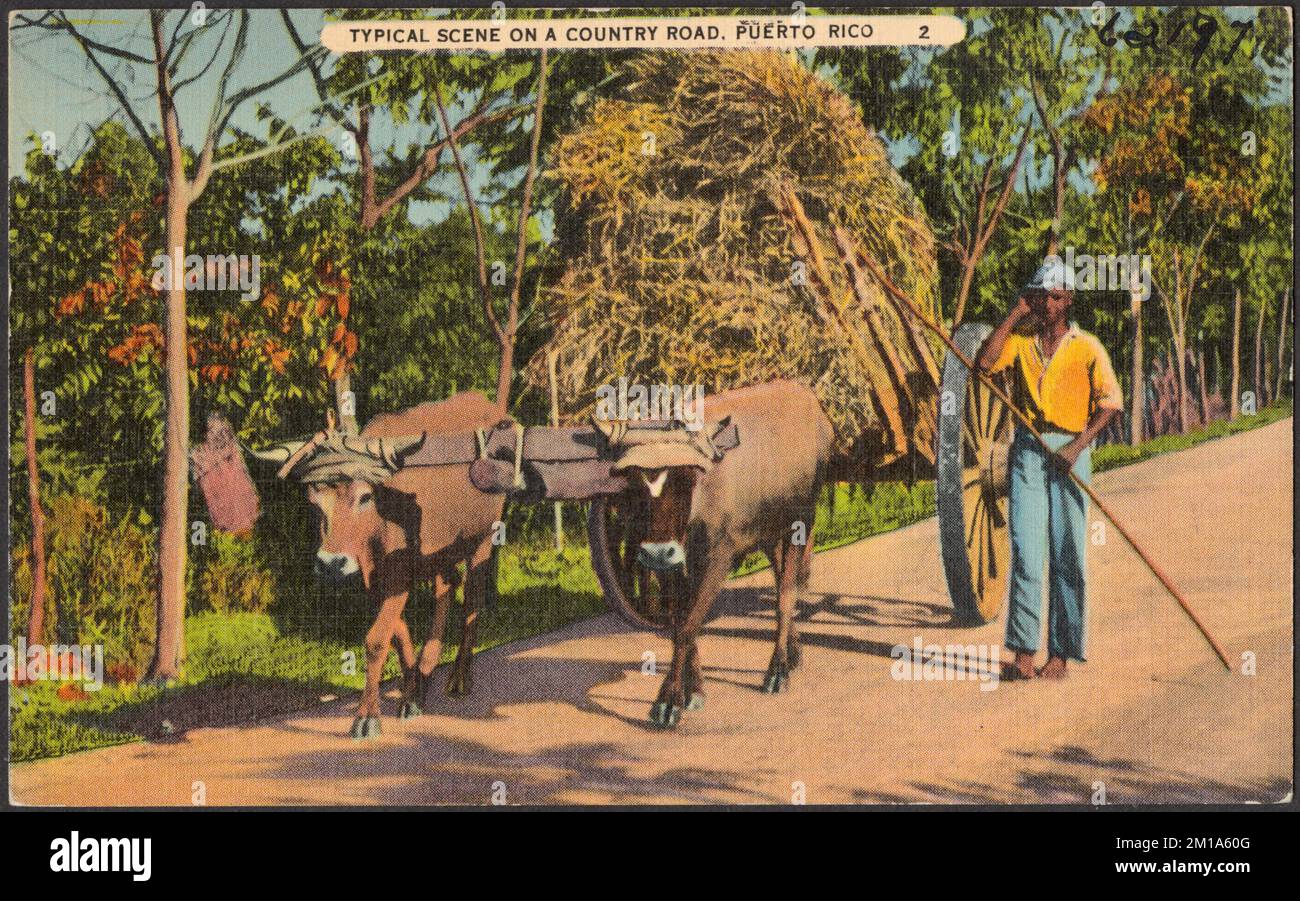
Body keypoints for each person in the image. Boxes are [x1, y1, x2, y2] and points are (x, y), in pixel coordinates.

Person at [976, 260, 1123, 680]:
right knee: (1026, 550)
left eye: (1055, 296)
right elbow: (983, 365)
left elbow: (1111, 402)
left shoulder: (1087, 347)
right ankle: (1023, 651)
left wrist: (1077, 445)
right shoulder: (1021, 344)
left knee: (1067, 552)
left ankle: (1060, 652)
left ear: (1068, 300)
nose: (1048, 304)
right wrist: (1015, 313)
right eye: (1041, 296)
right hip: (1028, 450)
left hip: (1071, 452)